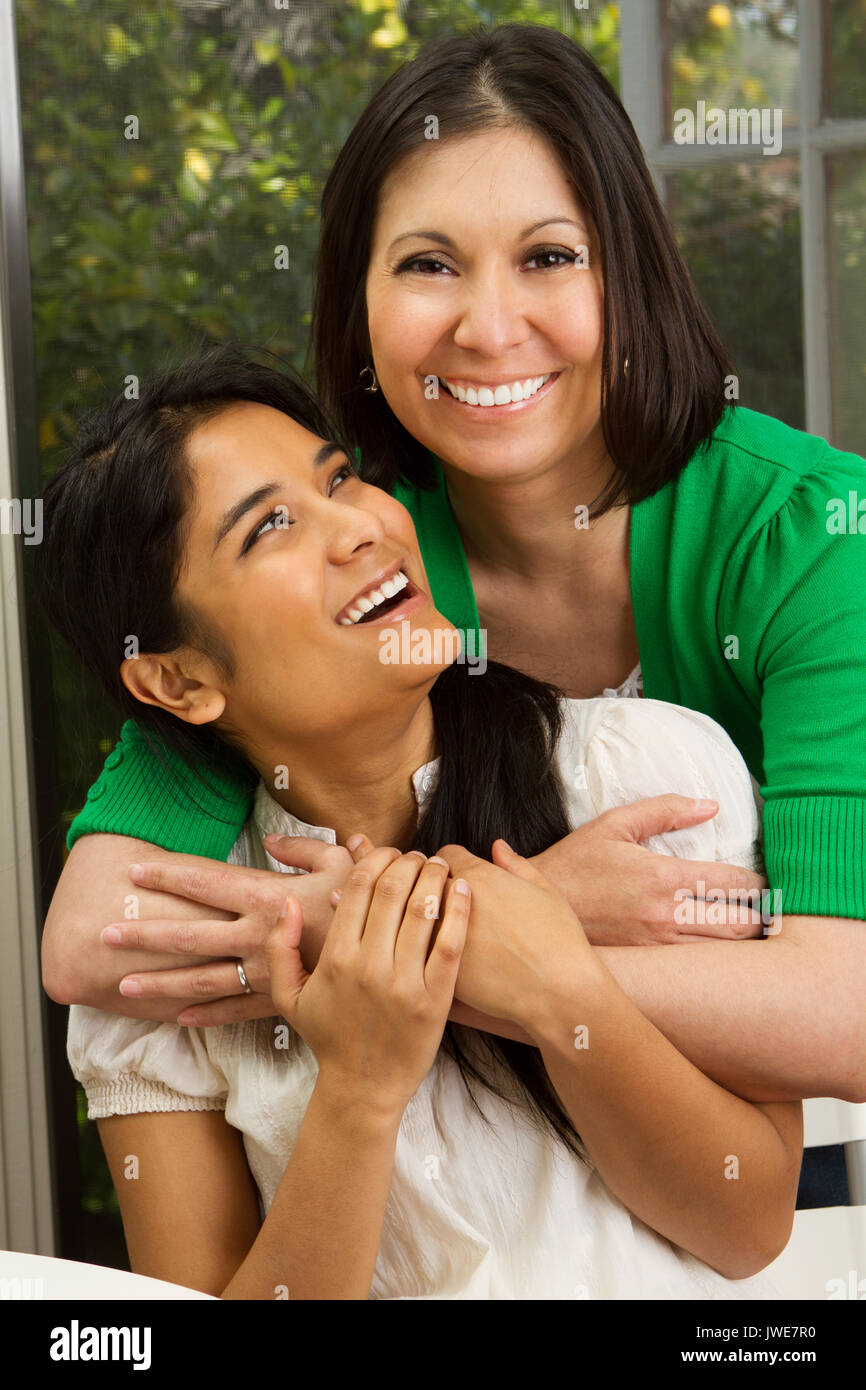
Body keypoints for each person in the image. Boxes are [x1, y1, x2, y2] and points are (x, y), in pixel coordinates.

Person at [41, 26, 866, 1210]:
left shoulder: (805, 537)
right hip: (470, 1173)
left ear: (624, 269)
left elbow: (839, 1012)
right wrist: (529, 922)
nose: (486, 327)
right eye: (428, 264)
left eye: (546, 256)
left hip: (754, 1169)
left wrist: (403, 936)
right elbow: (93, 939)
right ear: (358, 295)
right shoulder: (365, 546)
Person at [37, 349, 800, 1298]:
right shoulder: (168, 958)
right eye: (270, 526)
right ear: (178, 680)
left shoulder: (639, 775)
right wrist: (357, 1091)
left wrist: (566, 992)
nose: (360, 527)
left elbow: (748, 1227)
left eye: (339, 478)